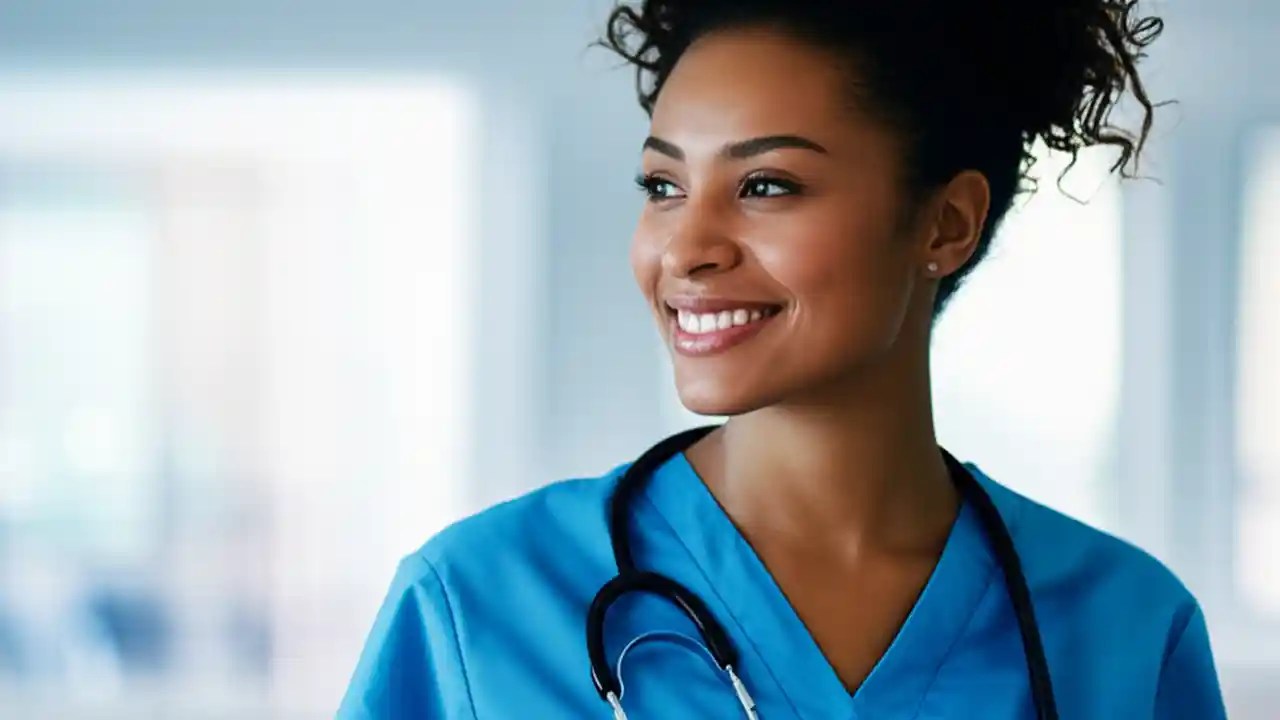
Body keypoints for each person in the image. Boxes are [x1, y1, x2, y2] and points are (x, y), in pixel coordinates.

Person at [339, 1, 1228, 717]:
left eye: (765, 186)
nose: (686, 249)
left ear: (945, 224)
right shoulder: (479, 605)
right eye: (663, 186)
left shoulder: (1126, 631)